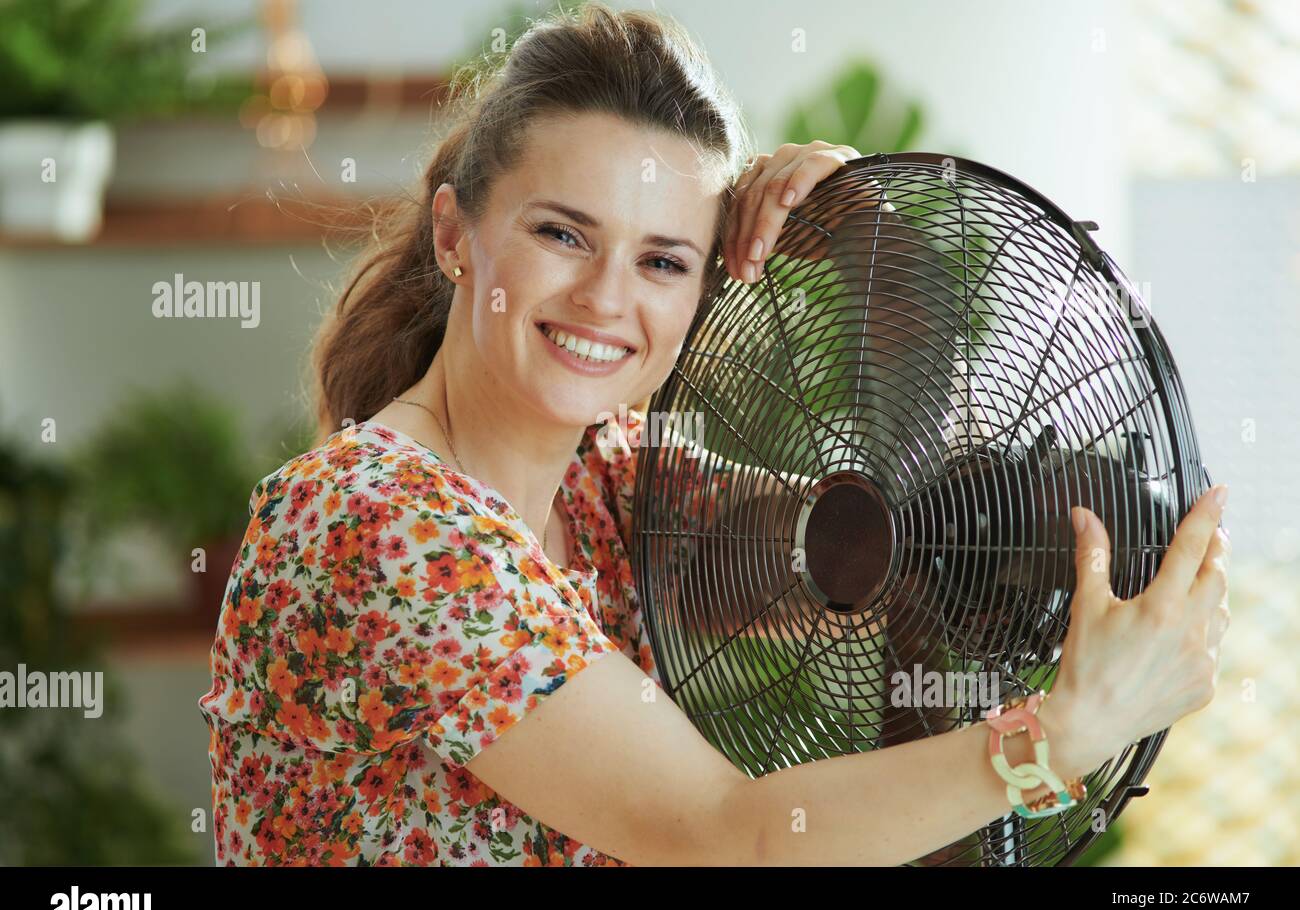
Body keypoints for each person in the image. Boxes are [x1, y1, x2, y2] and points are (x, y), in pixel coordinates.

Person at [198, 2, 1231, 866]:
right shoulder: (374, 520)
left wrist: (860, 223)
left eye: (661, 260)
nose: (607, 299)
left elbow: (896, 539)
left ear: (707, 279)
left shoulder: (618, 485)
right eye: (561, 233)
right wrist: (1066, 733)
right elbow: (725, 834)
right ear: (453, 234)